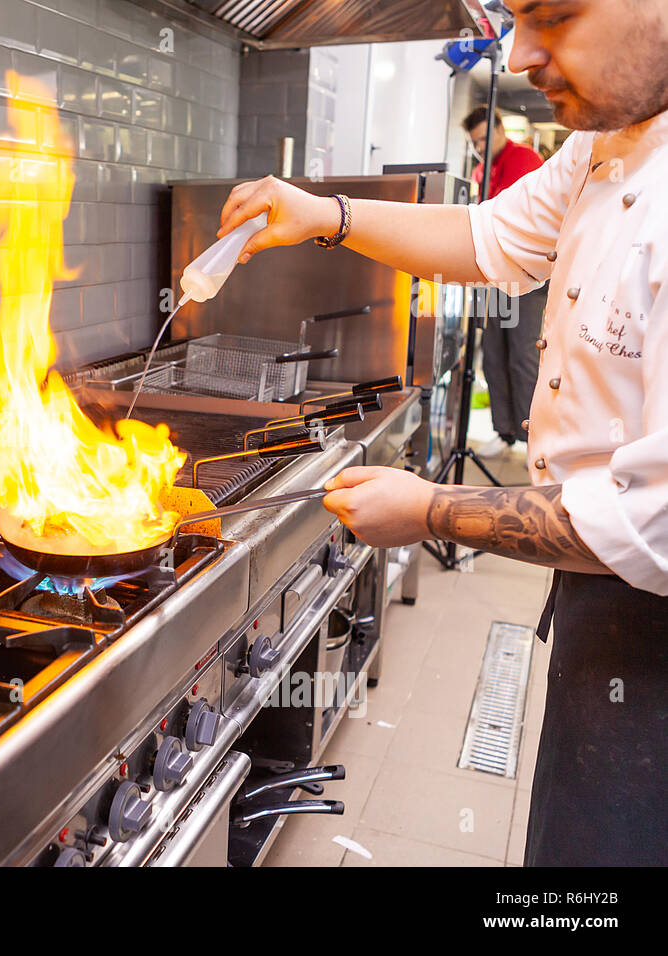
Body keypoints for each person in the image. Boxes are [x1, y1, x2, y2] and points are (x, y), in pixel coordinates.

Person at [217, 0, 668, 866]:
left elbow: (649, 523)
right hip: (604, 598)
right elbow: (491, 235)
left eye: (554, 15)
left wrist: (428, 511)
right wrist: (322, 214)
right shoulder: (611, 136)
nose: (523, 53)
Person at [463, 106, 548, 457]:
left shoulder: (524, 159)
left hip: (526, 275)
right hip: (494, 275)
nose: (480, 146)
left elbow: (514, 216)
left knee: (523, 356)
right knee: (492, 356)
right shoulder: (483, 168)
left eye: (484, 137)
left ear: (499, 129)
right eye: (475, 142)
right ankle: (504, 431)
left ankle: (532, 439)